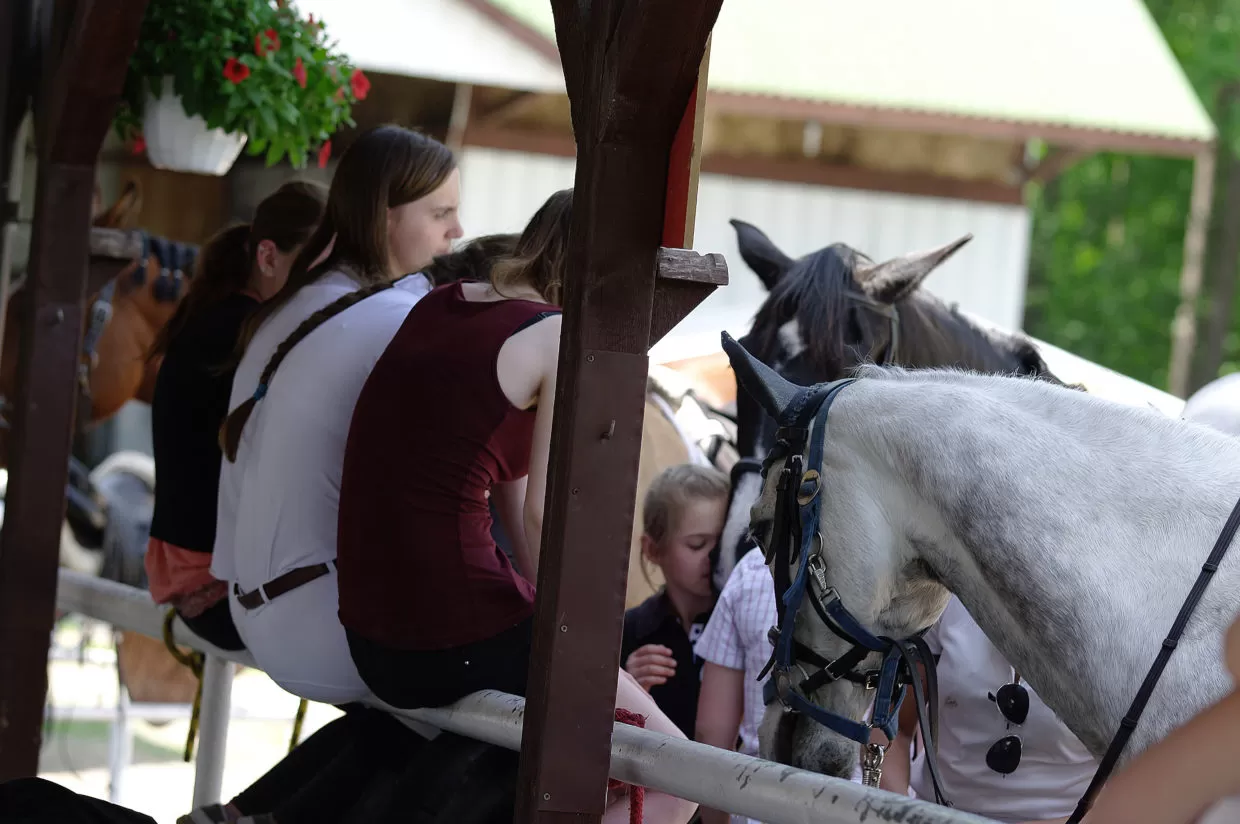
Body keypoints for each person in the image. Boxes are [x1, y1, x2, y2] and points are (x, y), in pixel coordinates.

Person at [335, 188, 698, 824]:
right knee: (676, 773)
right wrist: (583, 649)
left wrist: (555, 637)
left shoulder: (443, 303)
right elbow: (545, 515)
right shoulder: (557, 335)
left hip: (368, 633)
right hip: (448, 630)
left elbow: (508, 493)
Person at [208, 125, 462, 824]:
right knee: (507, 704)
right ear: (386, 214)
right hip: (318, 622)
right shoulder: (402, 317)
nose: (457, 230)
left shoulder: (294, 302)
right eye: (440, 213)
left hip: (251, 606)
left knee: (419, 717)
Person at [146, 180, 325, 651]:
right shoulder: (249, 334)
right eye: (318, 270)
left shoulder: (218, 318)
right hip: (218, 590)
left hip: (194, 578)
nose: (330, 289)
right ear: (268, 258)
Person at [881, 595, 1098, 824]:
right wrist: (899, 811)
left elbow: (1131, 793)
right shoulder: (945, 598)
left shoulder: (1119, 614)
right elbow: (892, 732)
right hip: (932, 815)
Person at [621, 463, 729, 737]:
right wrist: (628, 685)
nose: (714, 556)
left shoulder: (742, 623)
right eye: (697, 545)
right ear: (653, 549)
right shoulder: (631, 631)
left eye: (722, 542)